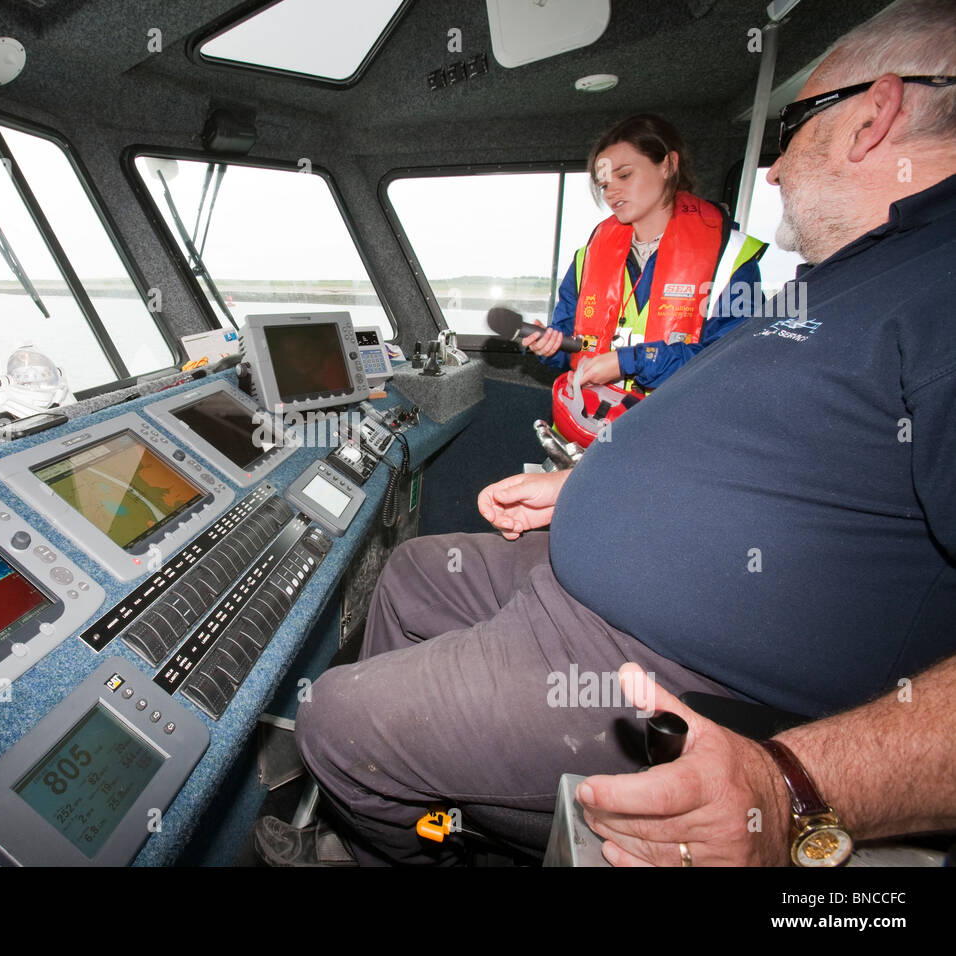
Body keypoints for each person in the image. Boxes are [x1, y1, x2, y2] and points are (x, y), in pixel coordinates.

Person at [256, 0, 956, 866]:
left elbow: (696, 364)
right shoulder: (847, 276)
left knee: (335, 717)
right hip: (585, 545)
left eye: (795, 124)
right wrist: (579, 474)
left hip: (669, 660)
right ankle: (432, 807)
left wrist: (793, 787)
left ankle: (407, 819)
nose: (771, 169)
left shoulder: (843, 275)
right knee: (410, 567)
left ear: (875, 114)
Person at [524, 115, 766, 401]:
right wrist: (551, 347)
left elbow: (734, 360)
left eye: (624, 175)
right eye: (603, 185)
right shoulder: (586, 259)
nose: (611, 191)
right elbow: (571, 349)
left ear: (668, 165)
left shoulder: (731, 258)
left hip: (672, 429)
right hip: (589, 426)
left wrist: (629, 361)